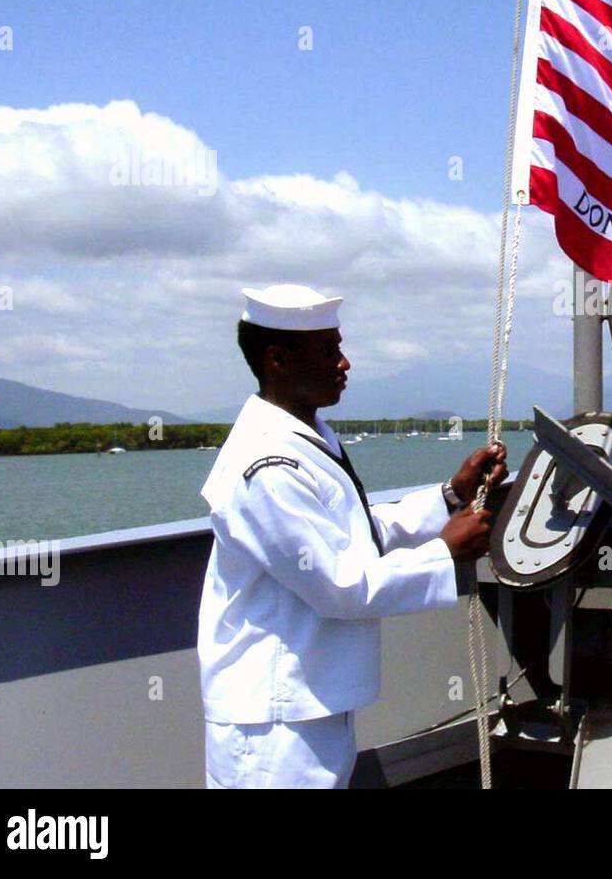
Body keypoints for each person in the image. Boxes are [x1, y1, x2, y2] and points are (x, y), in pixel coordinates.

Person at [197, 283, 505, 789]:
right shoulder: (267, 465)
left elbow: (352, 538)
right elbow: (339, 584)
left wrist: (450, 496)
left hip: (307, 701)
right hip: (275, 718)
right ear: (277, 359)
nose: (344, 363)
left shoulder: (305, 436)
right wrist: (444, 552)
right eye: (328, 350)